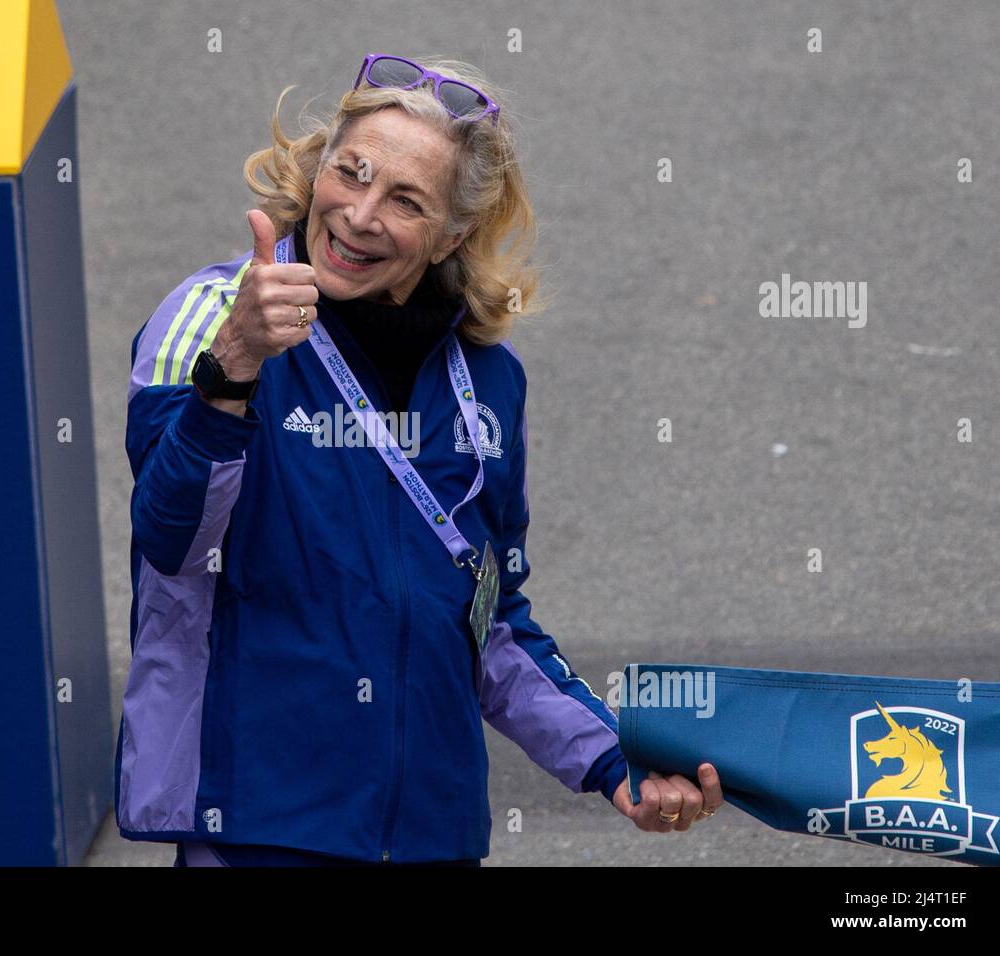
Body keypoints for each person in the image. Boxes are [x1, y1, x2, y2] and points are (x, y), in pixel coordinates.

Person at [117, 53, 723, 866]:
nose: (360, 215)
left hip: (431, 834)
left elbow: (490, 620)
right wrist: (233, 367)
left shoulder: (486, 380)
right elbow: (173, 539)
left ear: (454, 232)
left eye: (405, 200)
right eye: (351, 173)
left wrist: (615, 762)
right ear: (317, 170)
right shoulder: (214, 316)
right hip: (261, 822)